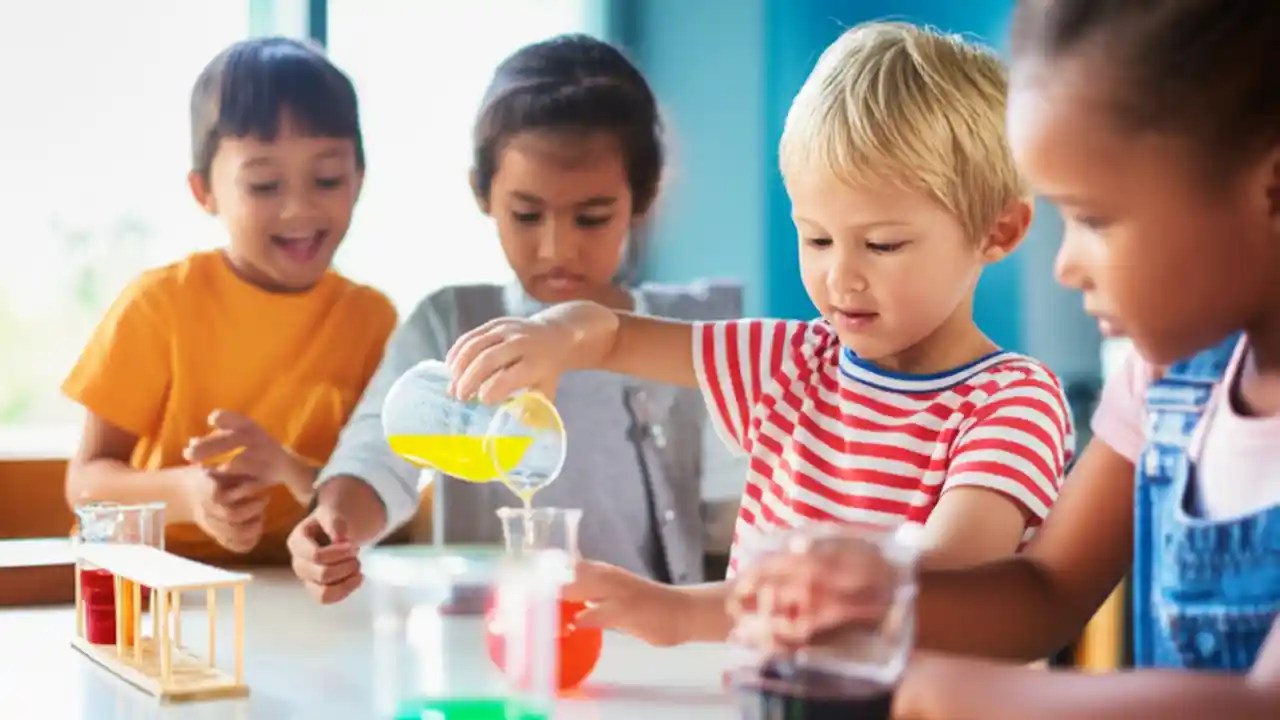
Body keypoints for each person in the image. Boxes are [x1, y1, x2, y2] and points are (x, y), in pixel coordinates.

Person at [444, 21, 1074, 647]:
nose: (840, 277)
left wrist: (684, 612)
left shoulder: (1011, 403)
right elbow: (610, 336)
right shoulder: (789, 365)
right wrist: (556, 335)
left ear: (998, 233)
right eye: (816, 237)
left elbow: (932, 584)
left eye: (883, 244)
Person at [731, 2, 1280, 717]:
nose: (1066, 267)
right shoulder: (1166, 384)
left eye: (1094, 220)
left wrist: (963, 693)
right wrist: (885, 590)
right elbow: (1046, 592)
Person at [288, 34, 746, 603]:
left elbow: (747, 519)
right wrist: (335, 525)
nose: (556, 248)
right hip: (486, 648)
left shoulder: (690, 337)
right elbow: (378, 454)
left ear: (642, 197)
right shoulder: (450, 323)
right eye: (527, 215)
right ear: (483, 194)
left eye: (592, 217)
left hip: (643, 654)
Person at [62, 38, 396, 564]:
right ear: (204, 193)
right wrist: (190, 494)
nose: (299, 208)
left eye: (327, 179)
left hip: (301, 589)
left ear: (359, 180)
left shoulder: (373, 321)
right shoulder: (160, 304)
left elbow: (381, 487)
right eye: (264, 185)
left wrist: (288, 470)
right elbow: (85, 484)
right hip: (163, 584)